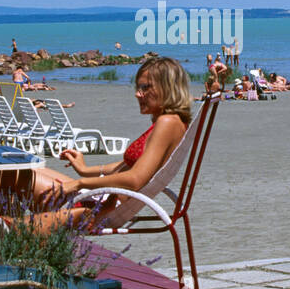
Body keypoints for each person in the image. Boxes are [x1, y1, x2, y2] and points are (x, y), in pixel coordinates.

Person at [12, 57, 191, 231]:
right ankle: (11, 232)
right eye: (138, 88)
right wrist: (85, 169)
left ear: (167, 88)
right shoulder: (170, 122)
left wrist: (79, 183)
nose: (138, 94)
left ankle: (7, 236)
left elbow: (135, 179)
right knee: (16, 170)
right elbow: (130, 166)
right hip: (105, 195)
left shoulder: (168, 123)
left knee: (13, 175)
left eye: (145, 88)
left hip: (104, 206)